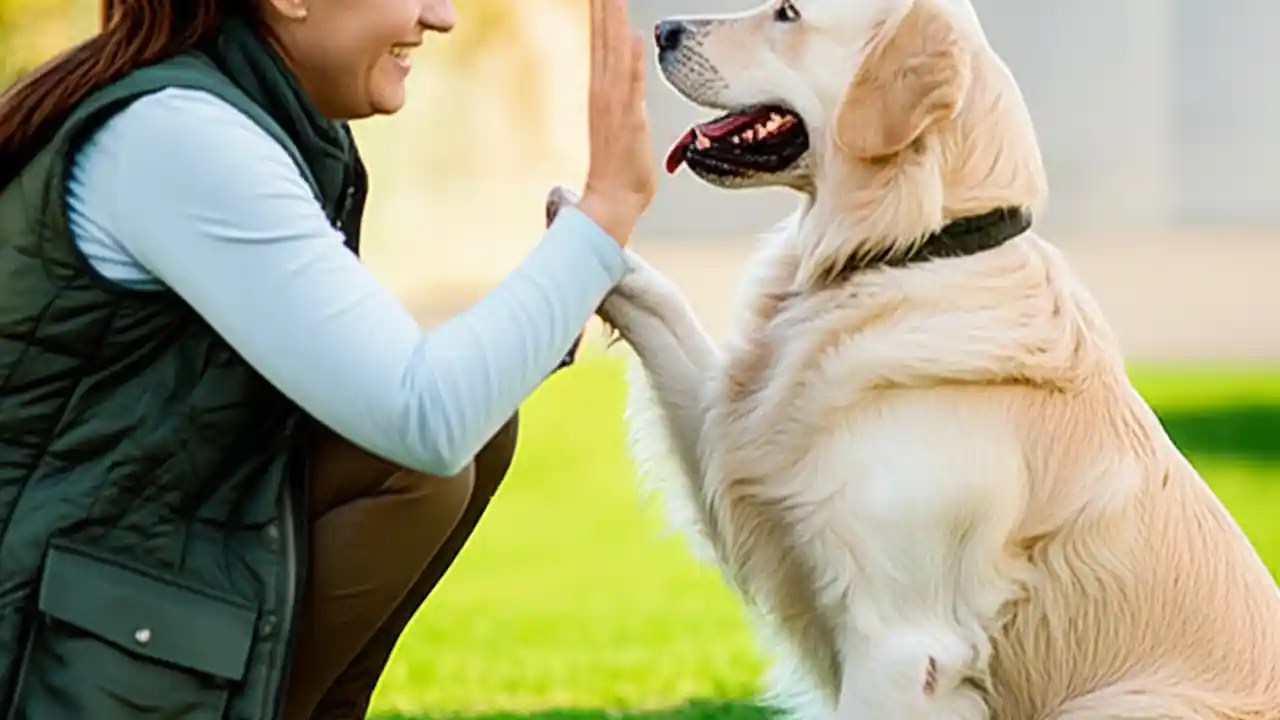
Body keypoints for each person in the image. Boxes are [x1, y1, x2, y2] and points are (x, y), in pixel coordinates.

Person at [0, 0, 654, 717]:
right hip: (30, 652)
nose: (441, 16)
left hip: (97, 595)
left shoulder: (244, 121)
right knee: (424, 449)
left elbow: (406, 403)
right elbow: (421, 411)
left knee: (458, 440)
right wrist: (605, 211)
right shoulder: (177, 136)